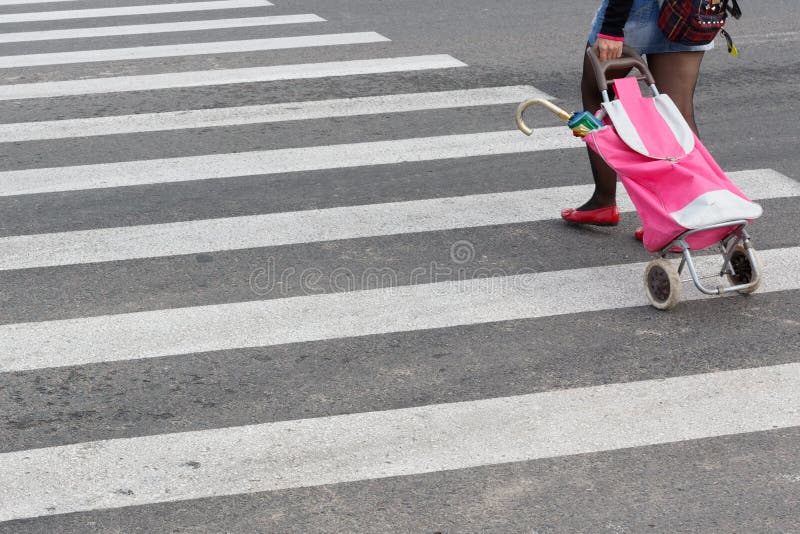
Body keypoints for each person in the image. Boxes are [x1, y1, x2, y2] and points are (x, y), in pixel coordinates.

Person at [561, 0, 714, 239]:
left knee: (596, 97)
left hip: (636, 9)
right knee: (678, 111)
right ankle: (685, 217)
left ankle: (604, 200)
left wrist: (611, 26)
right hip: (693, 8)